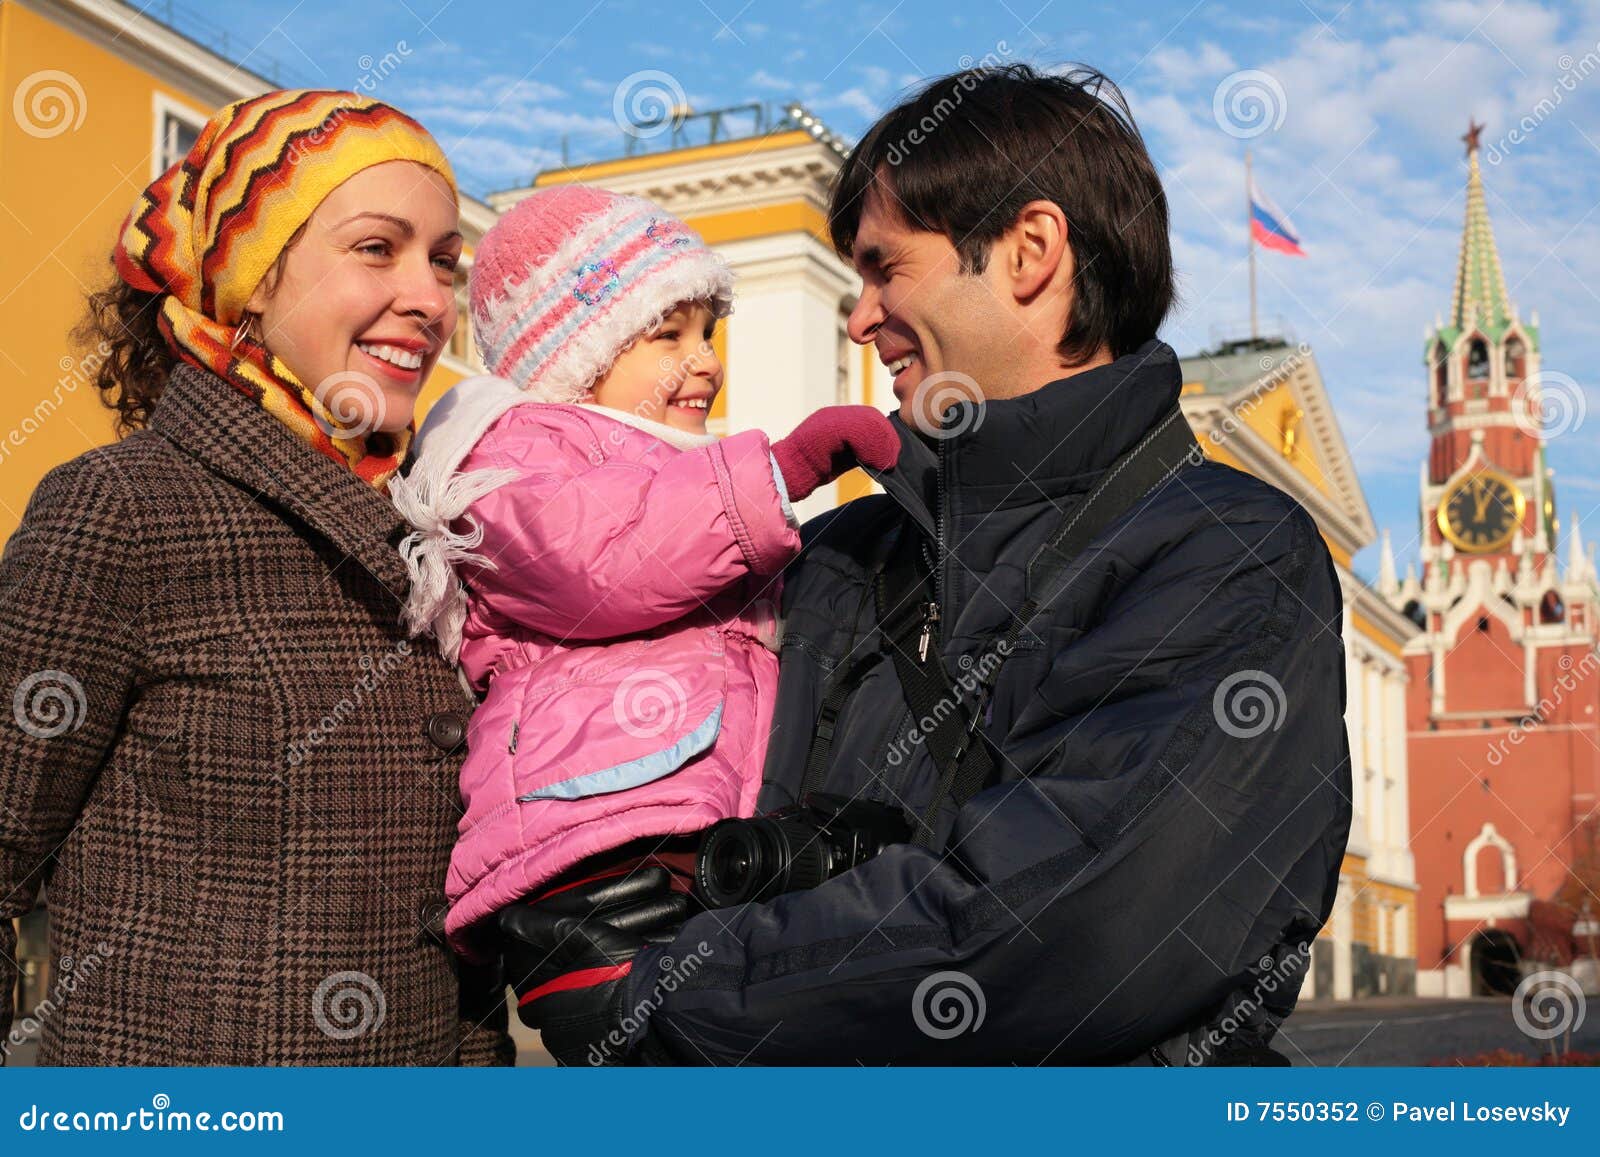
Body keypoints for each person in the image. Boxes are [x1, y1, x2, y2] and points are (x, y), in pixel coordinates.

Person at [499, 65, 1352, 1066]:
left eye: (884, 268)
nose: (859, 318)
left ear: (1030, 252)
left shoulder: (1226, 554)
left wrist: (667, 994)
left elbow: (1071, 928)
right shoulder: (835, 555)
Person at [0, 90, 513, 1065]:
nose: (432, 298)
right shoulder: (125, 508)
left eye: (444, 261)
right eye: (378, 248)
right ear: (250, 279)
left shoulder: (444, 520)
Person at [388, 188, 898, 985]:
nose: (707, 361)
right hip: (597, 839)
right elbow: (595, 555)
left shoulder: (678, 472)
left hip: (685, 824)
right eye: (668, 335)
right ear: (576, 359)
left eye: (707, 331)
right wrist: (784, 470)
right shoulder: (516, 452)